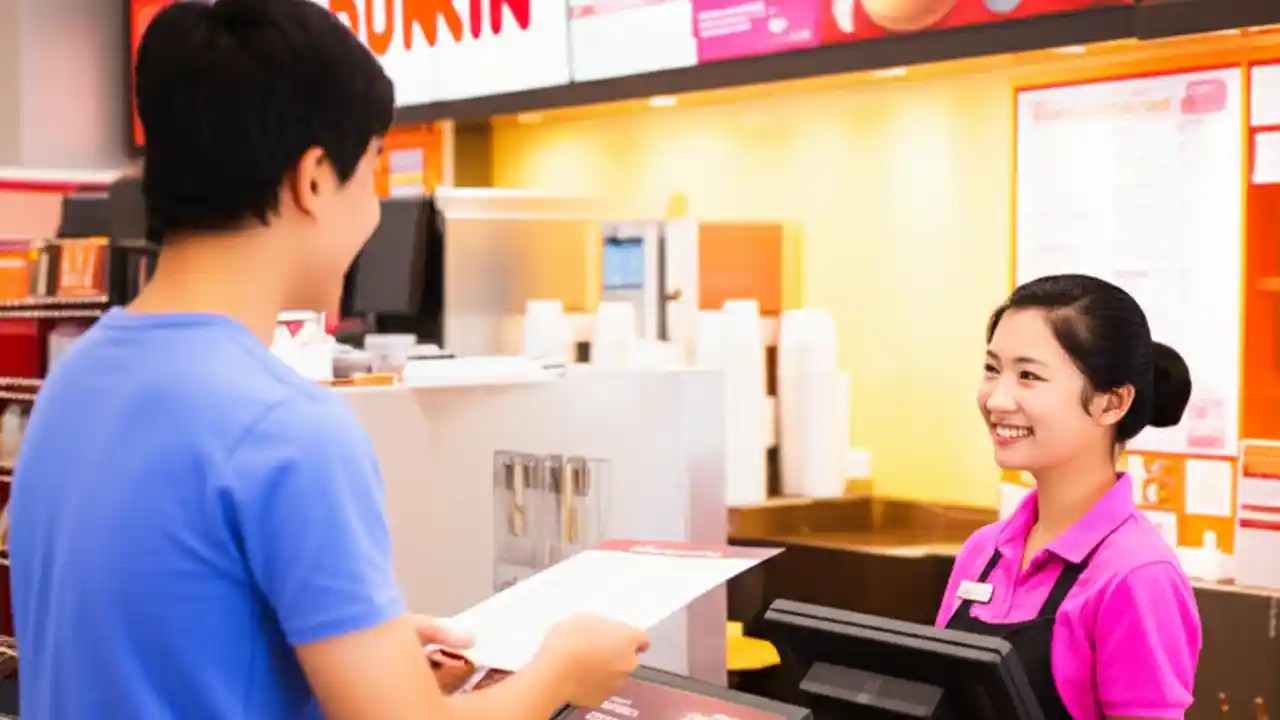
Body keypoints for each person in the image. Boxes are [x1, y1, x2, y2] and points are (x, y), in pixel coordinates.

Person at [8, 1, 648, 718]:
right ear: (312, 180)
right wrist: (562, 669)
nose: (373, 213)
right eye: (371, 174)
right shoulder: (286, 428)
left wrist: (352, 654)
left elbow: (153, 640)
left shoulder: (75, 382)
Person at [936, 274, 1201, 720]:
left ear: (1111, 403)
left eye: (1028, 375)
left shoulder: (1136, 576)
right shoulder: (983, 552)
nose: (997, 399)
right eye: (992, 369)